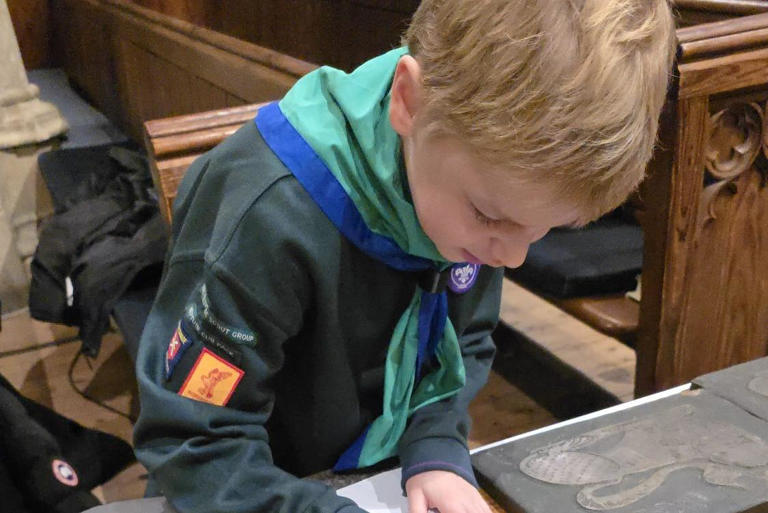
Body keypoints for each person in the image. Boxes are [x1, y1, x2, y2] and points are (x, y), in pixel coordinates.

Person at [133, 1, 676, 512]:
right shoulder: (267, 212)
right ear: (409, 102)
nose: (510, 257)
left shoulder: (471, 190)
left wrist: (436, 444)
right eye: (491, 215)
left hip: (368, 477)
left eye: (543, 231)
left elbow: (459, 343)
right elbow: (193, 440)